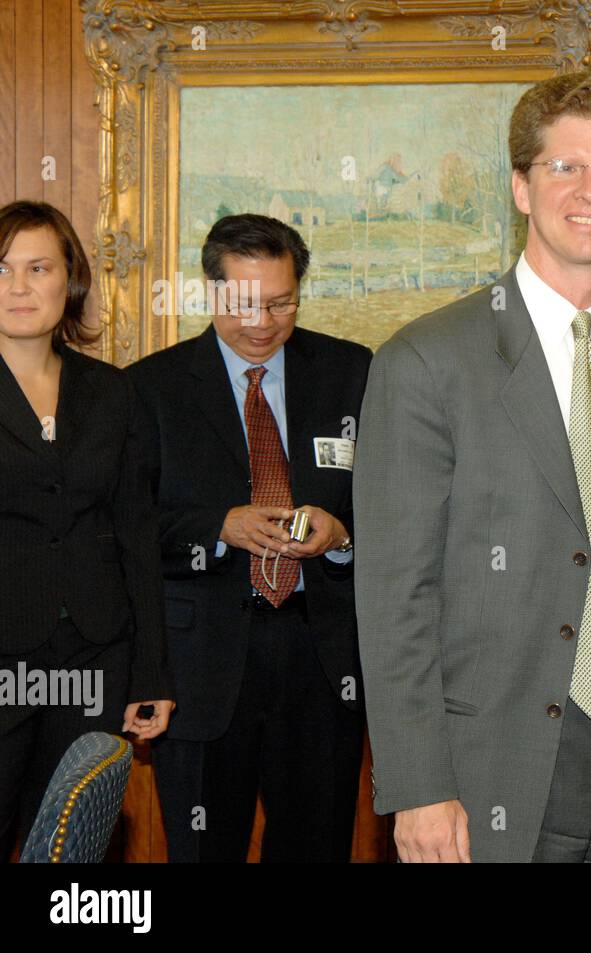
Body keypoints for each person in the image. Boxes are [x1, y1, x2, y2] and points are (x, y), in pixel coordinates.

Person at [354, 71, 591, 863]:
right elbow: (396, 597)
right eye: (565, 167)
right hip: (501, 764)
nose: (590, 190)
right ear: (522, 188)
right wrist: (419, 782)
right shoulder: (427, 360)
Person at [127, 214, 371, 862]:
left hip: (323, 666)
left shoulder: (351, 372)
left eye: (282, 302)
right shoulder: (151, 388)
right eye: (245, 303)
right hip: (202, 667)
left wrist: (342, 534)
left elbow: (398, 509)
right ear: (210, 292)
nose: (264, 321)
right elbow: (127, 529)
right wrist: (218, 527)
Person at [0, 200, 173, 853]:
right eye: (3, 269)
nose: (18, 287)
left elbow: (135, 532)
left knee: (70, 846)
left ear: (67, 279)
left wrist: (150, 671)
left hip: (93, 658)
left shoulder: (110, 392)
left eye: (37, 267)